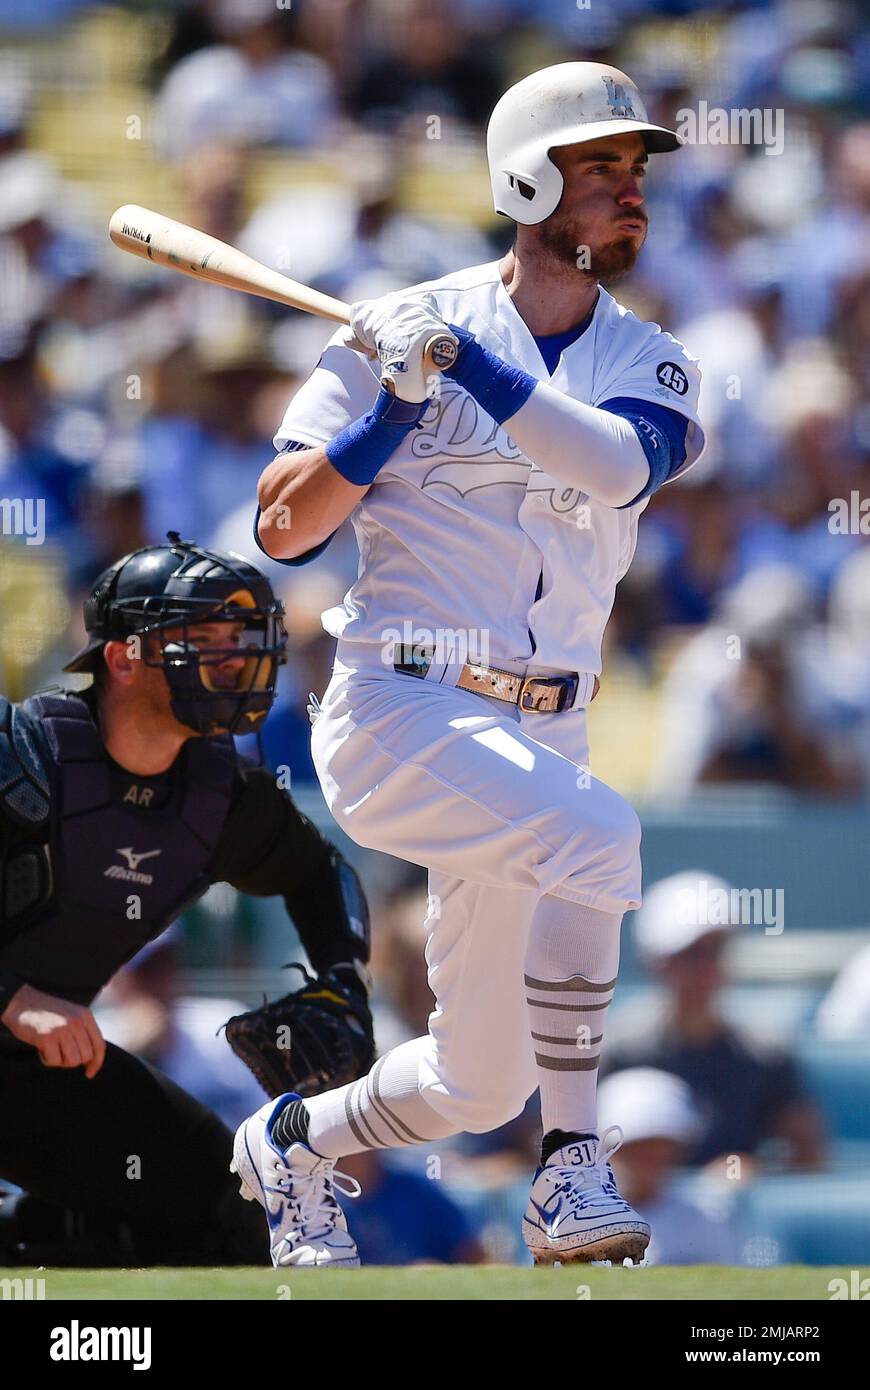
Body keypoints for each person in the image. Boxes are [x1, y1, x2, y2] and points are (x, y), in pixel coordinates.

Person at [237, 62, 707, 1270]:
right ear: (527, 178)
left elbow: (615, 468)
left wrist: (466, 371)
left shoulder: (654, 360)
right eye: (600, 167)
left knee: (479, 1077)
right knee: (601, 835)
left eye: (635, 170)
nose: (629, 191)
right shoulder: (394, 331)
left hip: (539, 735)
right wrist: (388, 411)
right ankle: (570, 1176)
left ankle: (290, 1137)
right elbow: (282, 526)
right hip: (399, 705)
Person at [0, 533, 374, 1265]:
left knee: (212, 1203)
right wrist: (13, 996)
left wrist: (342, 986)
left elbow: (316, 873)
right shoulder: (20, 753)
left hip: (23, 1070)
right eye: (202, 639)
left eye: (240, 638)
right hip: (20, 1025)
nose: (234, 657)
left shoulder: (221, 797)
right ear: (122, 658)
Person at [602, 871, 825, 1173]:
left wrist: (751, 1171)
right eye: (691, 954)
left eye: (715, 951)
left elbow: (808, 1154)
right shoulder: (617, 1052)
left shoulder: (766, 1054)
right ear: (656, 962)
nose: (706, 967)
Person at [596, 1068, 741, 1266]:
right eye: (636, 1146)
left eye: (660, 1147)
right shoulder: (568, 1222)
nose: (649, 1158)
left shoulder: (706, 1221)